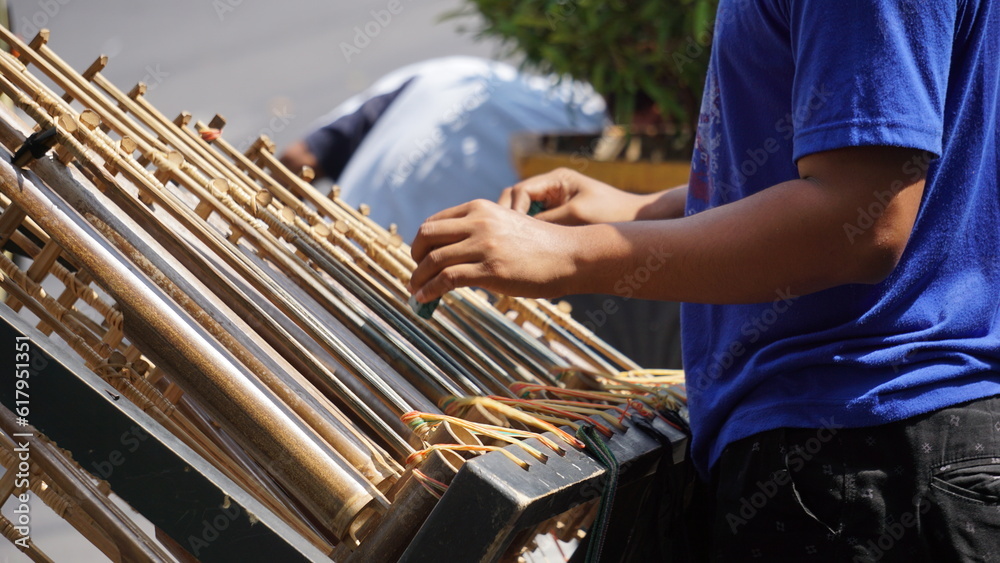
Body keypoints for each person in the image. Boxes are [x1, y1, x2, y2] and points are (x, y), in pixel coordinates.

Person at [407, 1, 1000, 561]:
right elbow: (859, 170)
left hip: (867, 456)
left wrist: (571, 253)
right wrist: (638, 210)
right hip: (866, 451)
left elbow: (858, 222)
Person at [281, 56, 684, 368]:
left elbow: (299, 157)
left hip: (302, 281)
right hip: (411, 335)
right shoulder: (594, 152)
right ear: (655, 117)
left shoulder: (451, 72)